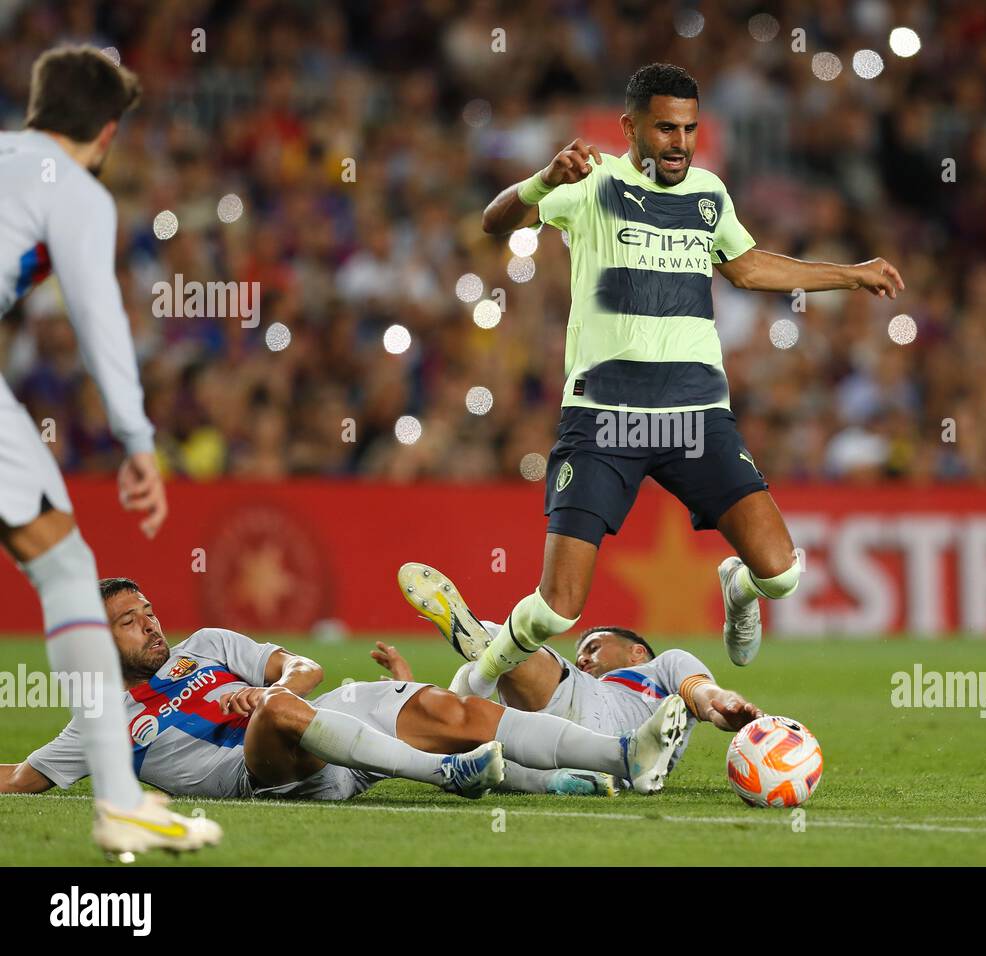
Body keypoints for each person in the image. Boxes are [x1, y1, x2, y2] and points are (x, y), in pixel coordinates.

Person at [476, 62, 903, 696]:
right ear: (630, 127)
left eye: (689, 129)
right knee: (559, 608)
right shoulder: (590, 184)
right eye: (666, 128)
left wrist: (850, 272)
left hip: (696, 418)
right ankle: (474, 679)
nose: (680, 142)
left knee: (781, 573)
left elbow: (749, 268)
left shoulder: (709, 194)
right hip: (604, 418)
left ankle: (738, 586)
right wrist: (541, 181)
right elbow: (494, 222)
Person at [0, 46, 215, 855]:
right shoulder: (78, 193)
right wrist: (136, 439)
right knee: (64, 572)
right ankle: (121, 802)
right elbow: (100, 324)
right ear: (109, 131)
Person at [0, 578, 691, 805]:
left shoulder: (206, 645)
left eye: (148, 610)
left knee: (456, 707)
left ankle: (623, 754)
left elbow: (303, 670)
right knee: (276, 713)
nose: (151, 624)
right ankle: (442, 772)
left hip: (326, 719)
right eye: (130, 622)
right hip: (270, 774)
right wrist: (267, 705)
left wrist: (278, 689)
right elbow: (20, 780)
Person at [395, 562, 763, 794]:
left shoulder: (663, 665)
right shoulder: (584, 675)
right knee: (497, 708)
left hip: (590, 707)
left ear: (636, 651)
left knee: (505, 662)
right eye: (582, 652)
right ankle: (483, 656)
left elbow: (702, 692)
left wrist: (723, 707)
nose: (584, 655)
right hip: (585, 747)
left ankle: (483, 662)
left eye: (595, 646)